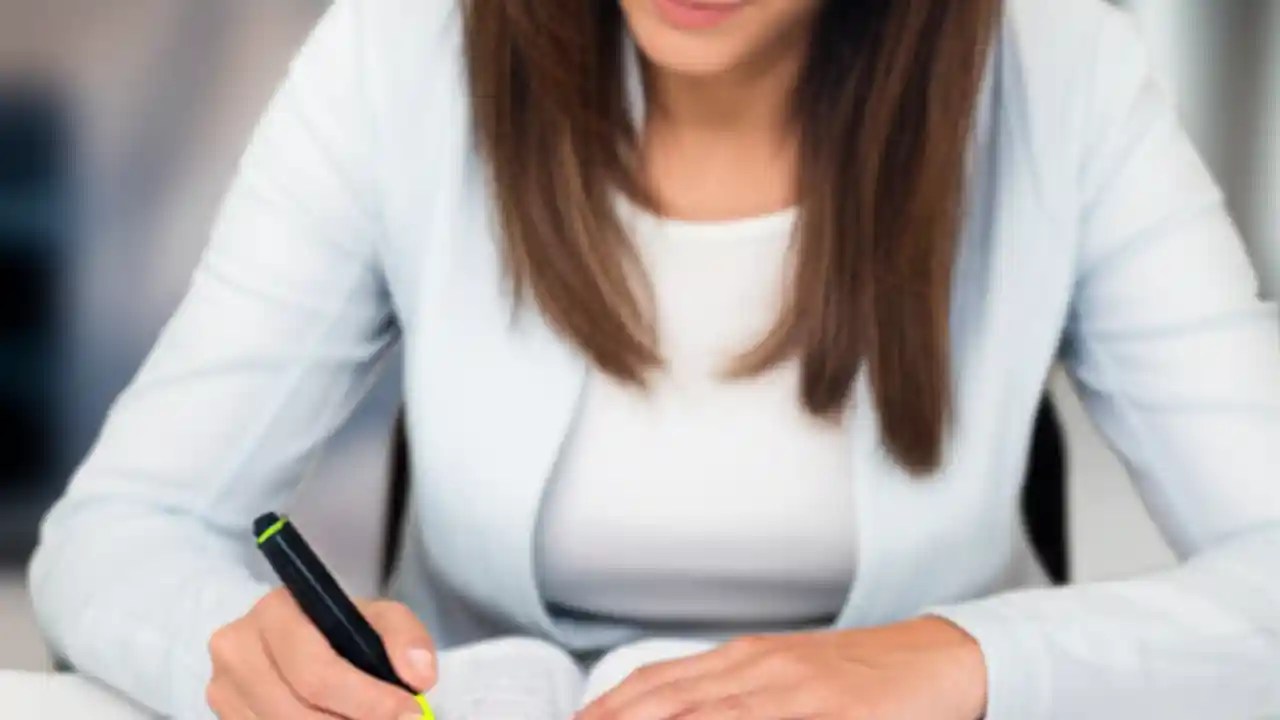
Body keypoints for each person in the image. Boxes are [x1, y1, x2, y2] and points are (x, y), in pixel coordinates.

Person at [28, 0, 1280, 718]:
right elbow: (121, 525)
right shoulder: (399, 54)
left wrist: (956, 662)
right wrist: (229, 651)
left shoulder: (1063, 71)